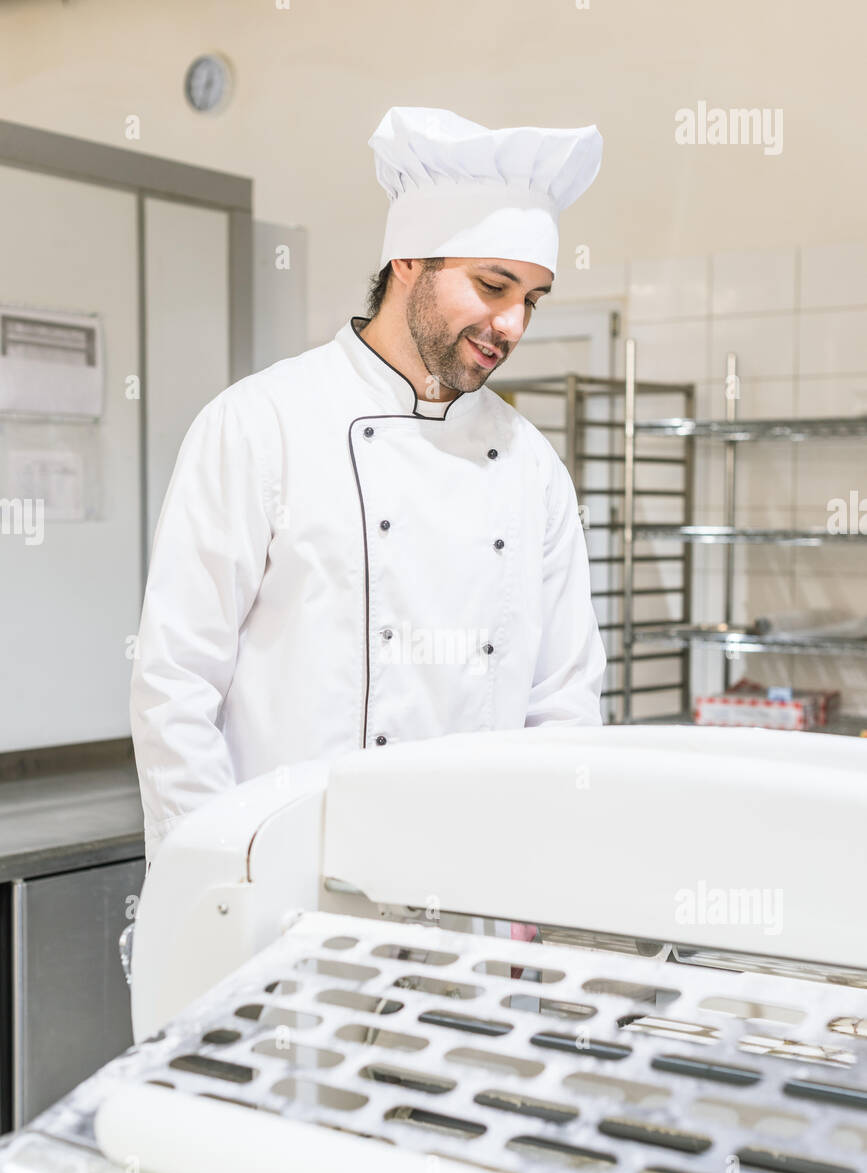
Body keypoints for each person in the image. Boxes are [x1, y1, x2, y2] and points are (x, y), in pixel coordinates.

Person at [130, 105, 607, 870]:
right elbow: (177, 683)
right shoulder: (263, 424)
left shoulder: (530, 468)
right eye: (493, 285)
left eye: (532, 300)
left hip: (475, 885)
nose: (512, 325)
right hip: (289, 880)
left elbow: (563, 700)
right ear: (409, 262)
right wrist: (214, 879)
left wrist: (539, 874)